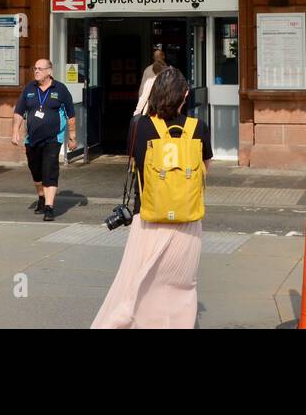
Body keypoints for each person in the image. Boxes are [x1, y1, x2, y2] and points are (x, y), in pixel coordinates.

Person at [92, 66, 212, 329]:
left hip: (147, 218)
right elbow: (204, 172)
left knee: (138, 287)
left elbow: (134, 163)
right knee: (182, 288)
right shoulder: (198, 128)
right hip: (187, 223)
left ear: (153, 94)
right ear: (185, 95)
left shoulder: (139, 127)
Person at [11, 59, 77, 221]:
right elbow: (19, 112)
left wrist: (72, 137)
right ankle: (41, 197)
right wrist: (15, 132)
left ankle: (49, 207)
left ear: (49, 71)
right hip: (32, 139)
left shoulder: (60, 89)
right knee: (36, 172)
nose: (36, 71)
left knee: (50, 170)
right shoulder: (29, 89)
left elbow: (71, 115)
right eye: (35, 69)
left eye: (40, 69)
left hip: (53, 139)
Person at [133, 48, 167, 117]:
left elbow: (143, 93)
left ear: (153, 58)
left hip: (151, 110)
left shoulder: (148, 70)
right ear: (163, 57)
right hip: (166, 109)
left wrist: (137, 112)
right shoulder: (169, 71)